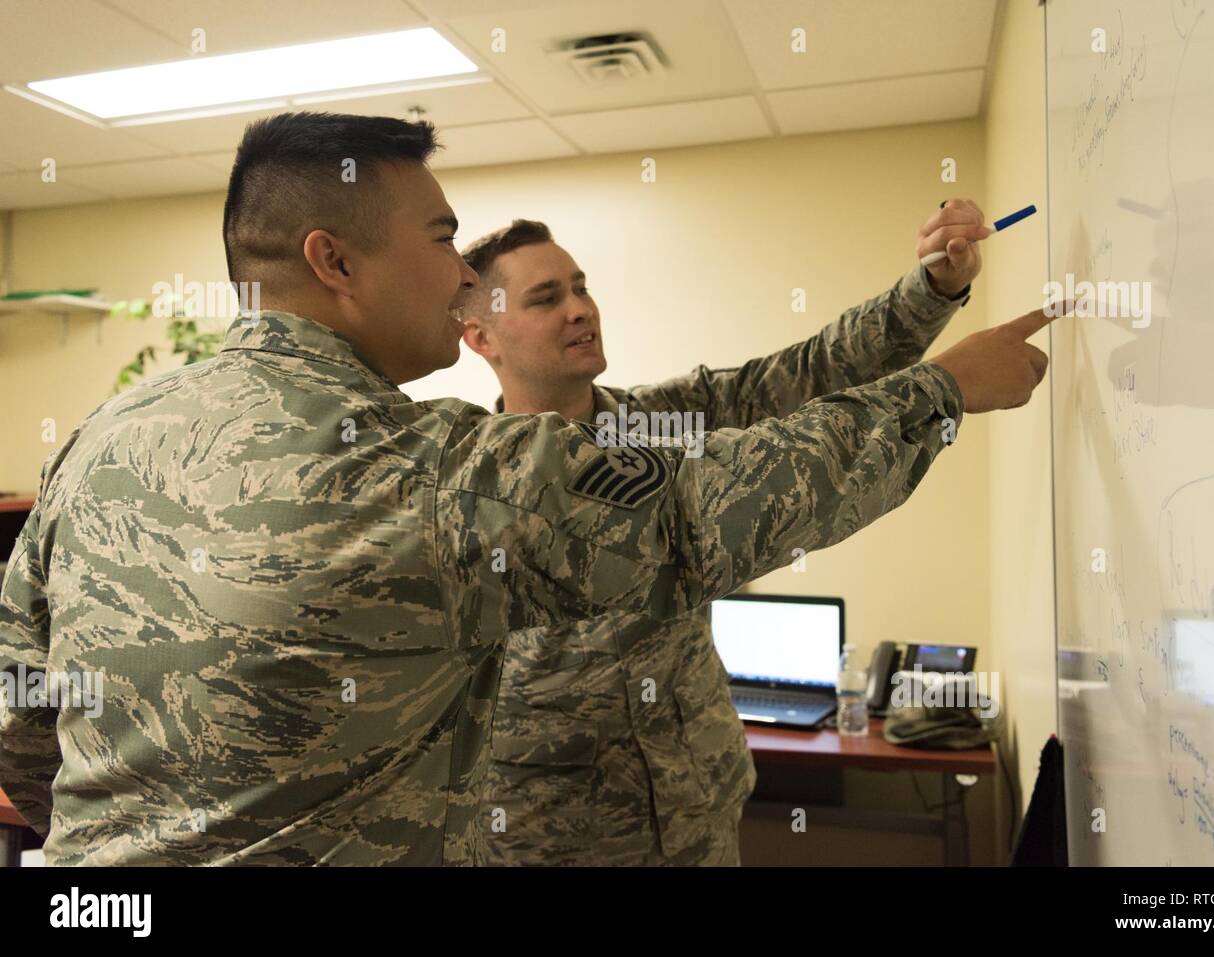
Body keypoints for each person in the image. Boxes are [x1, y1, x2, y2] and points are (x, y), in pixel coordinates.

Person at [0, 112, 1054, 865]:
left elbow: (23, 709)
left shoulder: (104, 437)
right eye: (443, 240)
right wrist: (941, 396)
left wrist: (931, 300)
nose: (459, 270)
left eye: (580, 287)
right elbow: (700, 513)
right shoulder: (429, 468)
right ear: (337, 263)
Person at [458, 207, 988, 865]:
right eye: (546, 298)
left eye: (581, 286)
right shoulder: (468, 488)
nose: (579, 308)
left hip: (697, 806)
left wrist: (931, 289)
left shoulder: (662, 425)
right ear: (482, 337)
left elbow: (811, 372)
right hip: (558, 836)